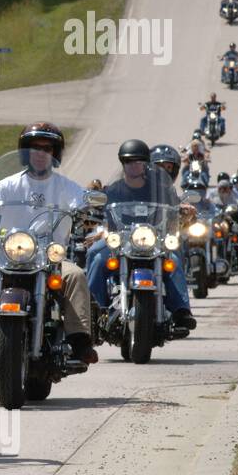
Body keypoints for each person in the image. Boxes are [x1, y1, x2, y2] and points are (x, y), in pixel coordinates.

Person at [0, 124, 97, 366]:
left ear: (55, 154)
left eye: (47, 148)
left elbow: (84, 202)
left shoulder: (65, 186)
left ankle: (79, 340)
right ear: (25, 152)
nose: (41, 153)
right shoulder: (7, 185)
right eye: (35, 148)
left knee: (75, 275)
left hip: (50, 258)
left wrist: (87, 208)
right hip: (7, 256)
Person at [85, 140, 197, 333]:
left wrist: (181, 208)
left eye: (139, 161)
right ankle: (93, 311)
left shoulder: (159, 188)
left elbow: (172, 205)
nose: (135, 165)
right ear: (123, 164)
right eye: (129, 162)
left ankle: (181, 311)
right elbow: (98, 206)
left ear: (147, 163)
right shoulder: (114, 190)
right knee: (95, 256)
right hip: (119, 241)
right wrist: (91, 209)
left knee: (174, 260)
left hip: (152, 240)